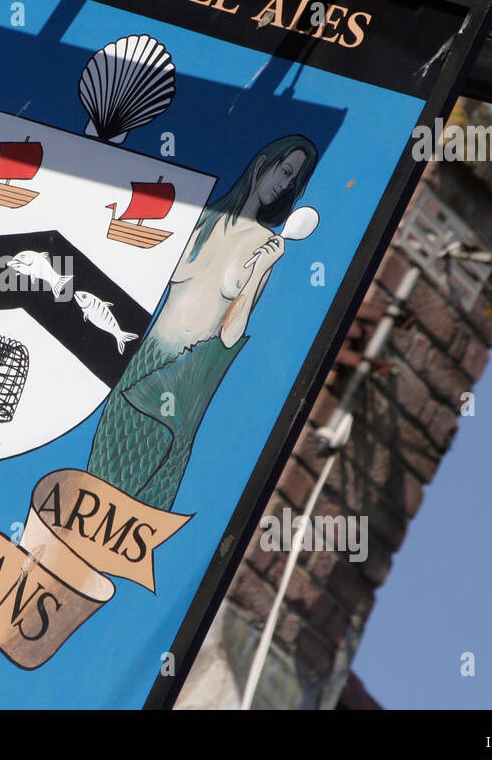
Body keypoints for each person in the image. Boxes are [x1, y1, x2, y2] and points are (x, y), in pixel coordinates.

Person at [86, 134, 319, 512]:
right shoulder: (202, 219)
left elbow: (229, 336)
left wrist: (260, 270)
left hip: (183, 377)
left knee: (141, 489)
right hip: (144, 359)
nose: (284, 185)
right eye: (285, 171)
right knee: (104, 464)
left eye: (293, 181)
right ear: (264, 164)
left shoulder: (263, 245)